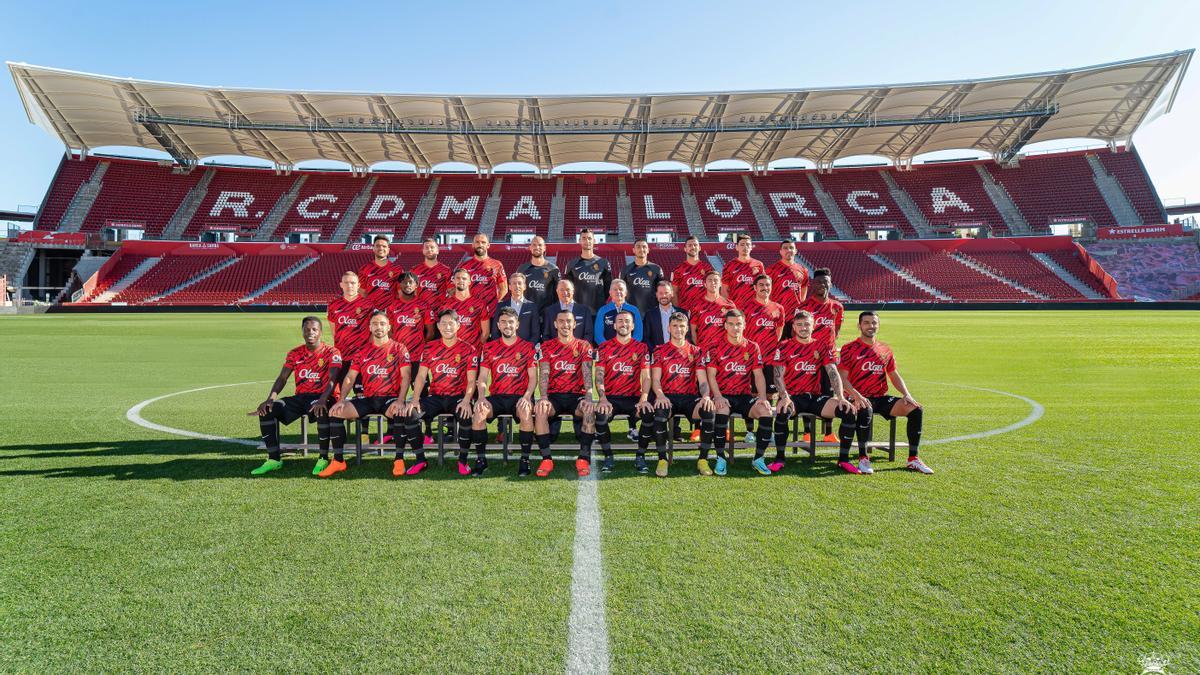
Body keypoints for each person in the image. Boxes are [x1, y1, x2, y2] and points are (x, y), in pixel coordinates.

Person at [770, 310, 872, 475]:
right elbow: (778, 375)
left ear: (813, 326)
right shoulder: (784, 346)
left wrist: (840, 397)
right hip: (794, 397)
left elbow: (832, 372)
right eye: (800, 324)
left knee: (847, 410)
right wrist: (784, 396)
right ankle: (779, 459)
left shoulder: (821, 346)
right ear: (794, 327)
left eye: (807, 324)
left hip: (816, 398)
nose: (804, 328)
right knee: (782, 411)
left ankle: (843, 460)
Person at [838, 311, 933, 474]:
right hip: (857, 397)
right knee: (865, 408)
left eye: (874, 323)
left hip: (880, 398)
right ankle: (863, 458)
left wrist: (906, 394)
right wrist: (856, 395)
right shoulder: (849, 348)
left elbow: (894, 375)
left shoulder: (885, 349)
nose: (871, 326)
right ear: (859, 325)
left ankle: (913, 459)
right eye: (866, 323)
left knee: (916, 410)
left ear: (878, 325)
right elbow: (842, 378)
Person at [323, 311, 412, 478]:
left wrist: (401, 400)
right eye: (375, 324)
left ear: (389, 327)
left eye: (382, 324)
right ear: (370, 327)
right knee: (335, 412)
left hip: (389, 398)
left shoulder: (399, 348)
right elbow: (350, 377)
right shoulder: (362, 351)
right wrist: (341, 399)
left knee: (400, 412)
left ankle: (399, 459)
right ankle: (338, 461)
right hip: (368, 398)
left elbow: (406, 376)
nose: (379, 327)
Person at [249, 317, 342, 476]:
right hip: (301, 397)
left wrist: (322, 399)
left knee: (321, 409)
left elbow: (333, 379)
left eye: (314, 329)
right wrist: (271, 398)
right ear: (302, 332)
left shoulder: (332, 352)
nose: (310, 332)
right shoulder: (295, 353)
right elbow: (282, 378)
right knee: (268, 410)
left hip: (323, 396)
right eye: (307, 329)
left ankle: (323, 457)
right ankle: (274, 459)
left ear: (320, 332)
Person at [400, 309, 478, 477]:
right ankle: (420, 460)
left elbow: (472, 381)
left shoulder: (468, 349)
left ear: (458, 325)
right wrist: (414, 400)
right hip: (435, 397)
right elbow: (421, 376)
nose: (447, 327)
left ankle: (463, 461)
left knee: (465, 415)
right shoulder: (429, 348)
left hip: (457, 397)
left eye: (451, 323)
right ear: (437, 326)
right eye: (443, 324)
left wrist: (466, 400)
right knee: (411, 413)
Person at [702, 309, 775, 476]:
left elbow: (758, 375)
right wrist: (718, 396)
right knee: (721, 410)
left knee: (766, 411)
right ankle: (720, 457)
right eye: (732, 324)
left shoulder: (752, 346)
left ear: (744, 325)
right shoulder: (715, 347)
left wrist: (763, 398)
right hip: (723, 395)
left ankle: (758, 458)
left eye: (739, 324)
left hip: (744, 396)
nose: (735, 328)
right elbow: (711, 375)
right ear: (725, 325)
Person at [469, 307, 539, 477]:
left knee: (525, 411)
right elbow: (483, 377)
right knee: (479, 411)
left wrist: (527, 397)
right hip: (498, 397)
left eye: (510, 322)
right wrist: (481, 397)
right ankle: (481, 459)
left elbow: (533, 378)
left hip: (520, 396)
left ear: (517, 324)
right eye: (503, 322)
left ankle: (524, 459)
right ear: (498, 326)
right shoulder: (490, 348)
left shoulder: (528, 347)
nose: (507, 325)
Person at [650, 312, 716, 476]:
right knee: (659, 412)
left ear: (687, 328)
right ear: (668, 328)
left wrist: (706, 396)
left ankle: (703, 459)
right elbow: (655, 380)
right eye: (675, 326)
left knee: (708, 410)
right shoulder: (660, 350)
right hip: (668, 397)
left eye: (681, 326)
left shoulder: (696, 351)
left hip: (689, 398)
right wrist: (660, 395)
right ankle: (662, 459)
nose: (678, 329)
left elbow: (702, 381)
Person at [533, 311, 597, 478]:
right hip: (554, 396)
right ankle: (546, 459)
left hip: (577, 396)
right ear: (555, 324)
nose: (565, 324)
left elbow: (587, 374)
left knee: (589, 411)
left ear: (575, 324)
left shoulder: (583, 346)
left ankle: (583, 458)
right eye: (561, 321)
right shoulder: (546, 346)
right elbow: (544, 373)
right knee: (540, 410)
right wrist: (544, 397)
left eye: (568, 321)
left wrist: (589, 398)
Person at [593, 311, 654, 473]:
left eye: (627, 321)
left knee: (648, 413)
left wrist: (644, 398)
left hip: (634, 398)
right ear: (614, 325)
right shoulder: (604, 347)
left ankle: (640, 455)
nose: (624, 324)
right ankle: (608, 456)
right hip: (611, 398)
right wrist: (603, 398)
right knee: (600, 415)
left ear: (633, 326)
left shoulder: (641, 348)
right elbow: (599, 376)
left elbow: (647, 377)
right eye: (620, 321)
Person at [796, 267, 845, 442]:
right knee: (807, 394)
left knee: (828, 394)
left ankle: (828, 433)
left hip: (829, 359)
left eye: (825, 282)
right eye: (818, 282)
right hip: (808, 358)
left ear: (830, 284)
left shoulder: (837, 307)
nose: (822, 285)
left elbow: (836, 330)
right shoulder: (804, 307)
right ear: (812, 284)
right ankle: (807, 432)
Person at [741, 274, 786, 395]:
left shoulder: (778, 308)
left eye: (767, 285)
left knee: (770, 394)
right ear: (754, 288)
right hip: (751, 357)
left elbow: (779, 330)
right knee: (753, 394)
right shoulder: (746, 307)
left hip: (770, 358)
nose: (765, 287)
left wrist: (769, 345)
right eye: (761, 285)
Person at [386, 272, 428, 372]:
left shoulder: (423, 305)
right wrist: (396, 346)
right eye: (404, 282)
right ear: (400, 285)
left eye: (410, 282)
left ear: (416, 285)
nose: (407, 285)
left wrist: (419, 346)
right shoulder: (392, 306)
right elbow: (389, 331)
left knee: (420, 386)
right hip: (398, 353)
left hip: (417, 355)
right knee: (397, 386)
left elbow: (430, 332)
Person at [439, 268, 491, 348]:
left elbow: (486, 332)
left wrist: (476, 348)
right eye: (458, 278)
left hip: (473, 353)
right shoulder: (445, 304)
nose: (461, 281)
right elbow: (443, 331)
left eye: (464, 278)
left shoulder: (480, 304)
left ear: (469, 282)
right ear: (453, 281)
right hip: (452, 352)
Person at [563, 228, 612, 312]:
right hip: (577, 310)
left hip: (599, 310)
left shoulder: (604, 263)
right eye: (584, 238)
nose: (587, 241)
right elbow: (568, 289)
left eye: (589, 238)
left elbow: (608, 288)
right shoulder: (571, 264)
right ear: (579, 241)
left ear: (594, 241)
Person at [326, 270, 371, 361]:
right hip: (341, 355)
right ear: (341, 285)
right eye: (346, 283)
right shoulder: (333, 305)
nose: (349, 286)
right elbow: (334, 332)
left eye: (352, 283)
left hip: (362, 356)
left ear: (358, 285)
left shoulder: (368, 305)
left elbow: (373, 331)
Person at [410, 237, 452, 332]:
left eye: (432, 247)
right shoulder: (415, 270)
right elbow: (412, 293)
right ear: (423, 251)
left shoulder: (446, 270)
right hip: (419, 315)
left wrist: (445, 308)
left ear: (437, 250)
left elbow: (452, 292)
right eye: (427, 247)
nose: (429, 250)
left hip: (439, 315)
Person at [458, 233, 507, 311]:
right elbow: (458, 289)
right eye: (477, 242)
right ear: (473, 245)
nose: (480, 244)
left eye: (483, 242)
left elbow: (504, 289)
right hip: (471, 310)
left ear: (488, 245)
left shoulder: (497, 264)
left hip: (491, 311)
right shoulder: (464, 266)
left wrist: (494, 303)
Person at [689, 270, 736, 347]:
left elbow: (734, 329)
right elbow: (693, 331)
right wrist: (699, 348)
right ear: (705, 284)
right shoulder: (696, 305)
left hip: (724, 349)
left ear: (720, 283)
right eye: (710, 280)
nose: (713, 282)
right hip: (704, 350)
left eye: (716, 280)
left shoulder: (729, 305)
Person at [766, 238, 809, 321]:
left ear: (795, 251)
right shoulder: (772, 269)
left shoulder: (803, 270)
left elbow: (804, 288)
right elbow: (767, 291)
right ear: (780, 251)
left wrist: (800, 305)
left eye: (791, 248)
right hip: (777, 313)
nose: (789, 250)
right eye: (785, 248)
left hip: (795, 315)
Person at [490, 272, 540, 343]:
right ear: (509, 287)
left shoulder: (532, 307)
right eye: (514, 283)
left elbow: (536, 333)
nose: (517, 286)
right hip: (505, 350)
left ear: (524, 286)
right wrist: (500, 348)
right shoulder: (500, 306)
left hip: (525, 350)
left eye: (519, 283)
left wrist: (528, 348)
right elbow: (495, 332)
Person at [721, 233, 765, 311]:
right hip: (735, 309)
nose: (745, 247)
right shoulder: (729, 265)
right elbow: (724, 289)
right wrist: (728, 307)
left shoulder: (759, 265)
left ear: (751, 247)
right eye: (742, 244)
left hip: (754, 309)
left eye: (748, 244)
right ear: (737, 247)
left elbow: (763, 287)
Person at [540, 279, 594, 343]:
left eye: (568, 290)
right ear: (557, 291)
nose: (565, 293)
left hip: (578, 351)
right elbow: (546, 335)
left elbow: (589, 334)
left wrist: (580, 348)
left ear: (573, 291)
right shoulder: (549, 311)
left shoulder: (585, 310)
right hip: (556, 351)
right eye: (562, 290)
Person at [620, 239, 664, 317]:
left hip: (652, 313)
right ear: (634, 250)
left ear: (648, 250)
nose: (641, 249)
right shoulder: (626, 270)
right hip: (631, 314)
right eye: (638, 247)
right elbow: (621, 292)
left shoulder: (656, 269)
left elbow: (661, 291)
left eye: (644, 247)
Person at [515, 235, 559, 311]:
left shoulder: (553, 269)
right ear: (530, 247)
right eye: (534, 245)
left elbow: (558, 293)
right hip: (526, 312)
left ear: (544, 248)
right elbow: (516, 291)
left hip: (547, 314)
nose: (537, 247)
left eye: (540, 245)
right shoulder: (522, 269)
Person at [642, 280, 687, 354]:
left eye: (666, 293)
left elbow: (687, 336)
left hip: (680, 355)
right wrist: (656, 352)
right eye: (660, 293)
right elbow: (646, 338)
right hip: (659, 357)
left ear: (672, 294)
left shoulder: (683, 313)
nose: (664, 296)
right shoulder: (649, 315)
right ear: (656, 294)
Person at [670, 235, 712, 315]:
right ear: (685, 249)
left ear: (699, 248)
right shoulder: (678, 269)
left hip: (703, 311)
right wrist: (678, 311)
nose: (693, 247)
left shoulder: (707, 268)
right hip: (685, 311)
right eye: (690, 245)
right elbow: (674, 292)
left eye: (695, 245)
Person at [594, 279, 644, 344]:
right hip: (609, 351)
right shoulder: (603, 310)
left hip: (629, 350)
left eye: (621, 289)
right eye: (615, 289)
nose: (618, 291)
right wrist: (608, 348)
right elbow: (598, 336)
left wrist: (628, 348)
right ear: (610, 292)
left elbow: (638, 334)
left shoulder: (634, 310)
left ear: (626, 293)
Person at [357, 235, 401, 310]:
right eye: (378, 246)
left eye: (384, 246)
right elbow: (362, 292)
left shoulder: (397, 270)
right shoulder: (364, 269)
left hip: (390, 312)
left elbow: (400, 293)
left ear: (388, 249)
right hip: (371, 312)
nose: (381, 248)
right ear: (373, 248)